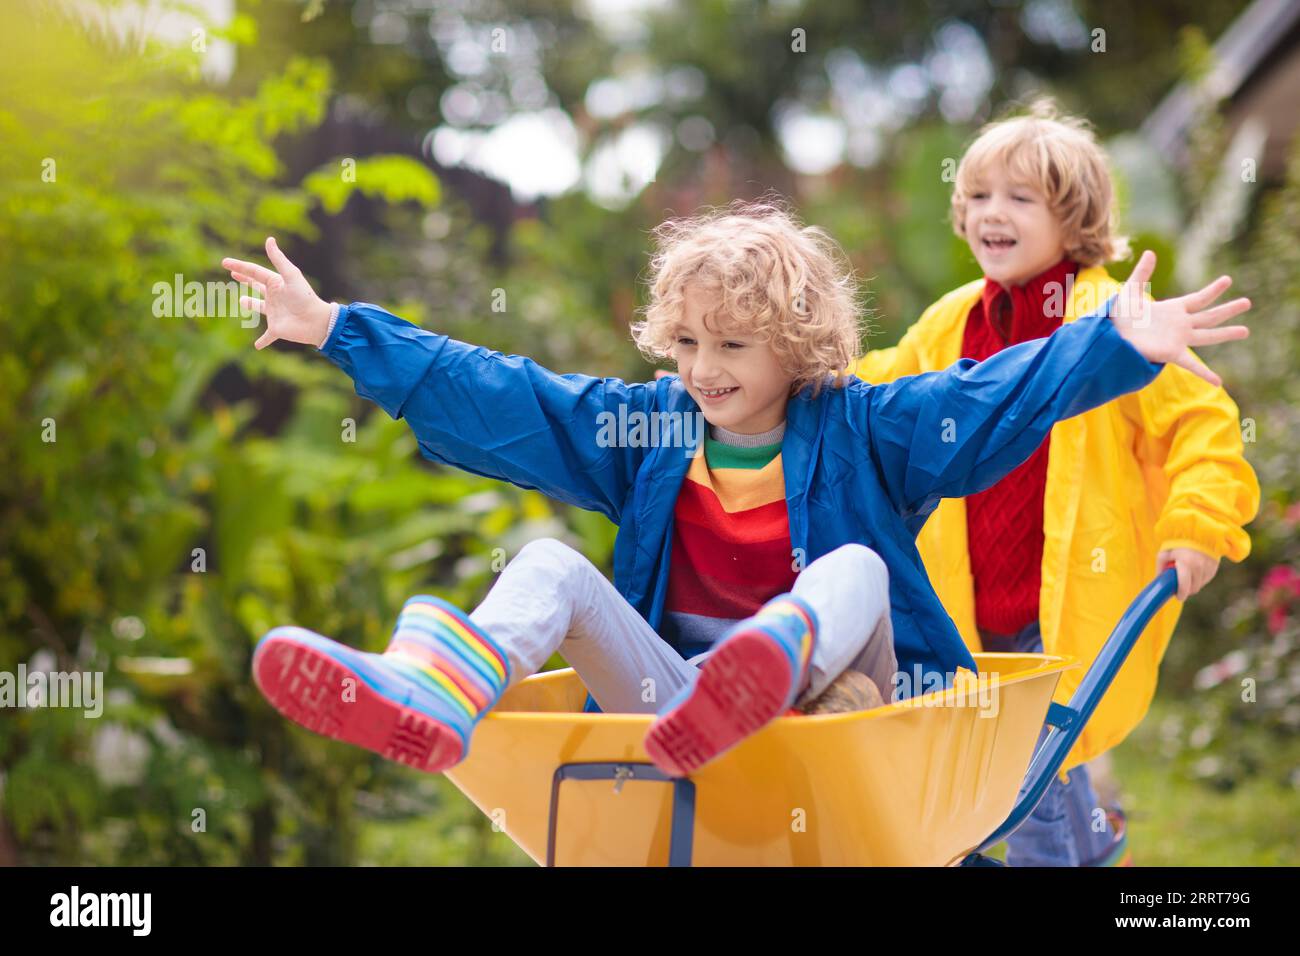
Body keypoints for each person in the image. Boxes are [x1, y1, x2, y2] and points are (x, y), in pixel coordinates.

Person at [222, 197, 1248, 783]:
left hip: (850, 713)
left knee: (852, 565)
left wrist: (1115, 341)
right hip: (686, 716)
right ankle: (433, 690)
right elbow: (509, 396)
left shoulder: (860, 425)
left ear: (796, 345)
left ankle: (772, 658)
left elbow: (989, 394)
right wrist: (338, 329)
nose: (702, 366)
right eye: (686, 341)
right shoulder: (652, 430)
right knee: (545, 562)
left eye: (732, 343)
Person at [852, 100, 1260, 865]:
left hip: (1072, 602)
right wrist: (801, 384)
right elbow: (879, 396)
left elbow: (1201, 427)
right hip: (969, 605)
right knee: (1025, 770)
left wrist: (1197, 527)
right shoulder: (949, 323)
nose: (989, 214)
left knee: (1029, 771)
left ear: (1074, 220)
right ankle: (1100, 852)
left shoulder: (1116, 316)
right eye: (976, 197)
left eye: (1018, 198)